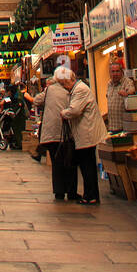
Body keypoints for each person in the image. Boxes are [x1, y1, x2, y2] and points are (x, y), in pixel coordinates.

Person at [56, 65, 105, 205]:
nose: (63, 86)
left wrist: (63, 113)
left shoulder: (80, 90)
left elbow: (75, 110)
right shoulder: (77, 89)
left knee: (87, 165)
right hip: (84, 132)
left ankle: (91, 196)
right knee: (86, 165)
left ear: (68, 80)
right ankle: (90, 194)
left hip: (87, 132)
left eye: (62, 83)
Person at [33, 67, 77, 200]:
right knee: (70, 161)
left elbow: (36, 100)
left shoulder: (50, 89)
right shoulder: (72, 89)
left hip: (51, 133)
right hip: (66, 132)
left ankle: (59, 192)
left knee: (56, 162)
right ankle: (71, 192)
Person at [105, 59, 136, 133]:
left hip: (124, 128)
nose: (115, 74)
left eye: (117, 71)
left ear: (121, 72)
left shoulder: (127, 82)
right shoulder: (109, 84)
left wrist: (127, 93)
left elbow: (132, 90)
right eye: (113, 71)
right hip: (112, 127)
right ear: (109, 73)